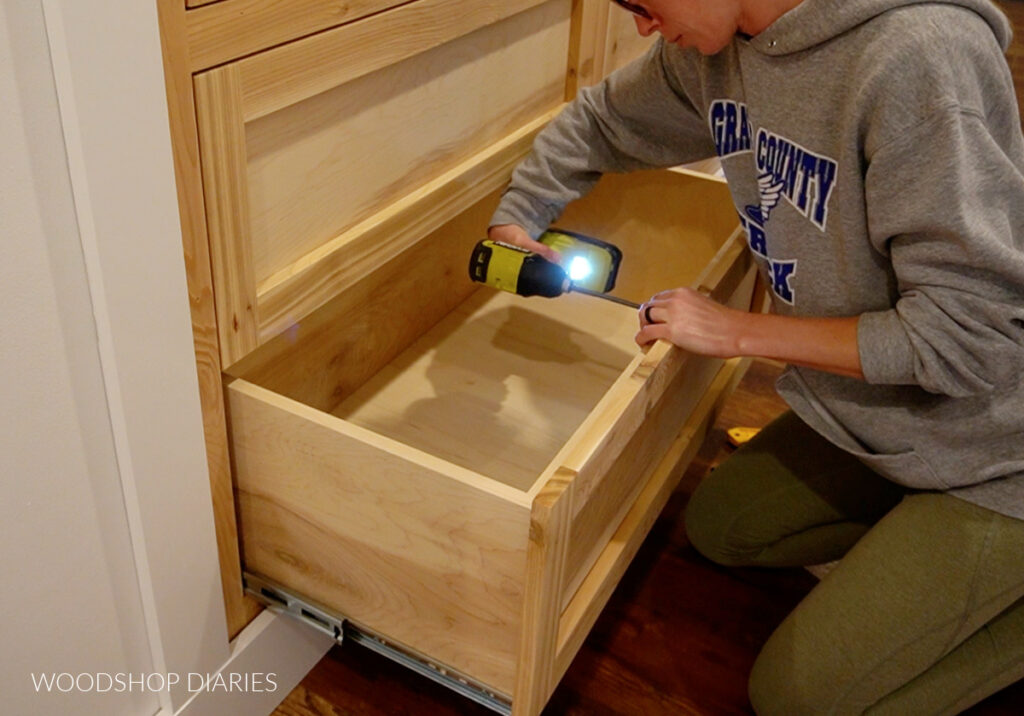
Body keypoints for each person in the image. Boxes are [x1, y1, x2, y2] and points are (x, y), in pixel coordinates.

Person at [488, 0, 1024, 712]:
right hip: (887, 417)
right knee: (722, 528)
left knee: (792, 697)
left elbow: (971, 335)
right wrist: (516, 216)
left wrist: (736, 332)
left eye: (641, 2)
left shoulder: (921, 57)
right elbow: (601, 123)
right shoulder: (710, 50)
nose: (641, 25)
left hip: (996, 450)